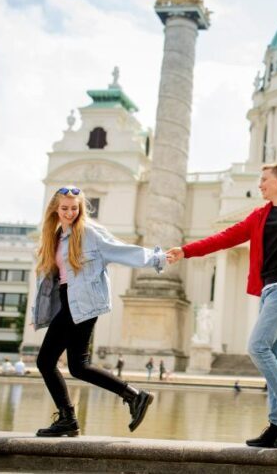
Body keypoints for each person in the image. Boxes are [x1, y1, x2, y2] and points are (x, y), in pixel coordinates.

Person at [167, 164, 277, 449]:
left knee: (257, 346)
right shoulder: (259, 216)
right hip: (268, 291)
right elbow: (225, 238)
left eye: (264, 180)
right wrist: (187, 250)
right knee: (274, 355)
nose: (260, 185)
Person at [32, 185, 166, 438]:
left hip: (82, 302)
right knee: (78, 366)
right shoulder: (57, 235)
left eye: (74, 208)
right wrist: (41, 312)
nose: (70, 213)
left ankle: (69, 418)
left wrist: (157, 258)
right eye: (65, 208)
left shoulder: (89, 232)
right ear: (55, 209)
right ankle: (133, 396)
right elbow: (53, 281)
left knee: (46, 361)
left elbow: (120, 250)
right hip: (70, 302)